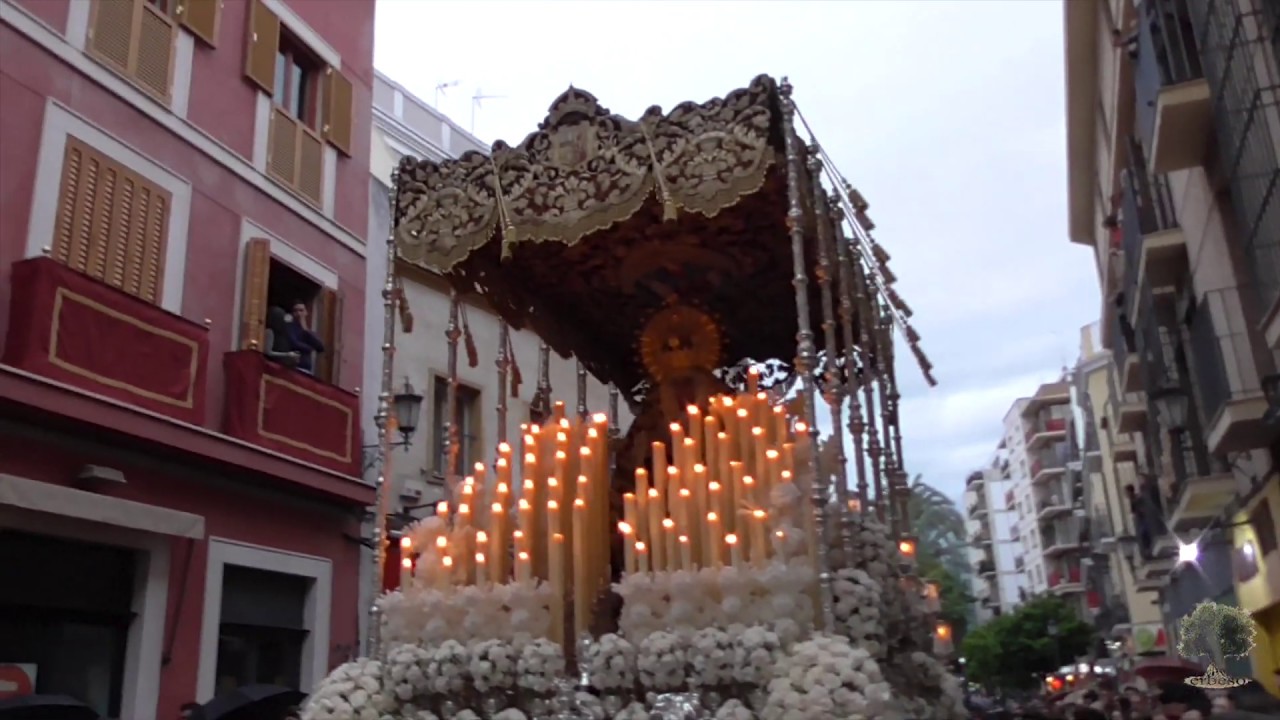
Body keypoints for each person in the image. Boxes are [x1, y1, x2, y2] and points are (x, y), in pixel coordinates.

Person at [285, 300, 325, 375]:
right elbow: (293, 343)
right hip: (293, 367)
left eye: (301, 310)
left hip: (306, 369)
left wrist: (305, 329)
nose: (299, 313)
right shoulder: (289, 328)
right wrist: (310, 348)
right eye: (296, 311)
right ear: (293, 314)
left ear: (306, 313)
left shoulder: (308, 331)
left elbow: (320, 347)